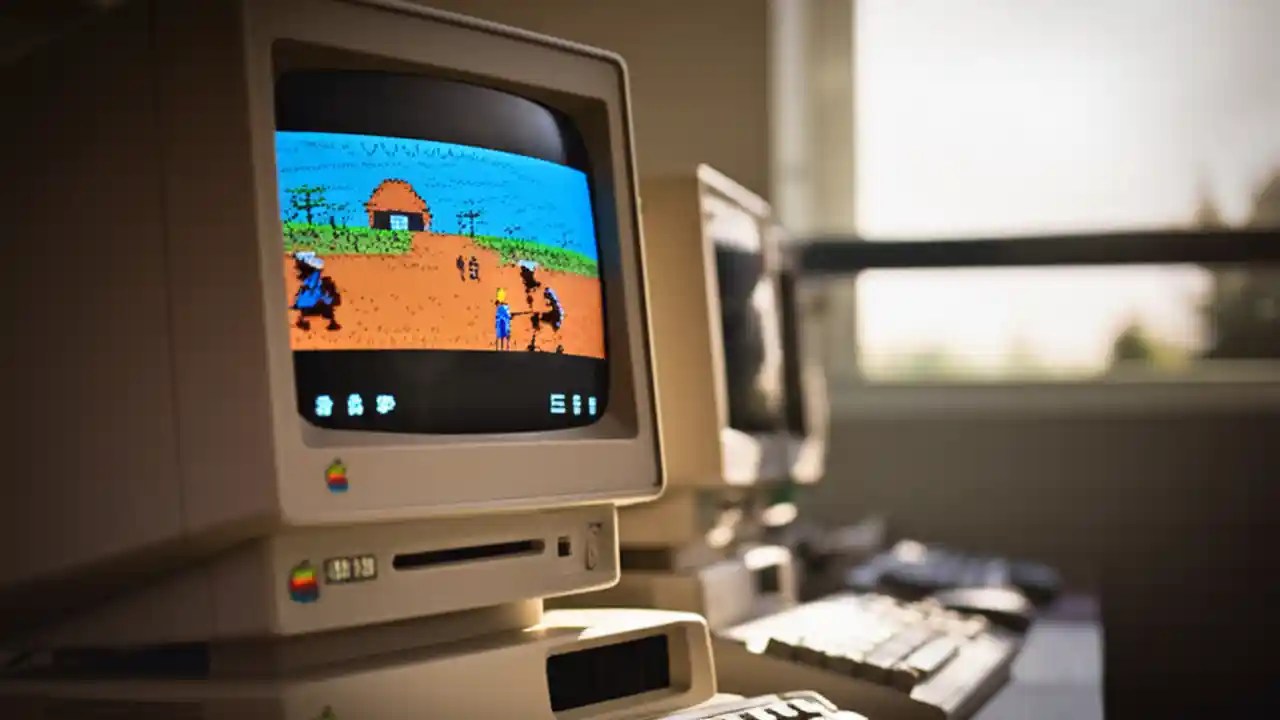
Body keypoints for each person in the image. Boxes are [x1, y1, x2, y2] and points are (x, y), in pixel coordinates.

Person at [290, 251, 341, 331]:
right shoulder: (307, 304)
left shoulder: (307, 303)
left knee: (314, 274)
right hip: (313, 295)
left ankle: (304, 258)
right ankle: (305, 258)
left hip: (313, 295)